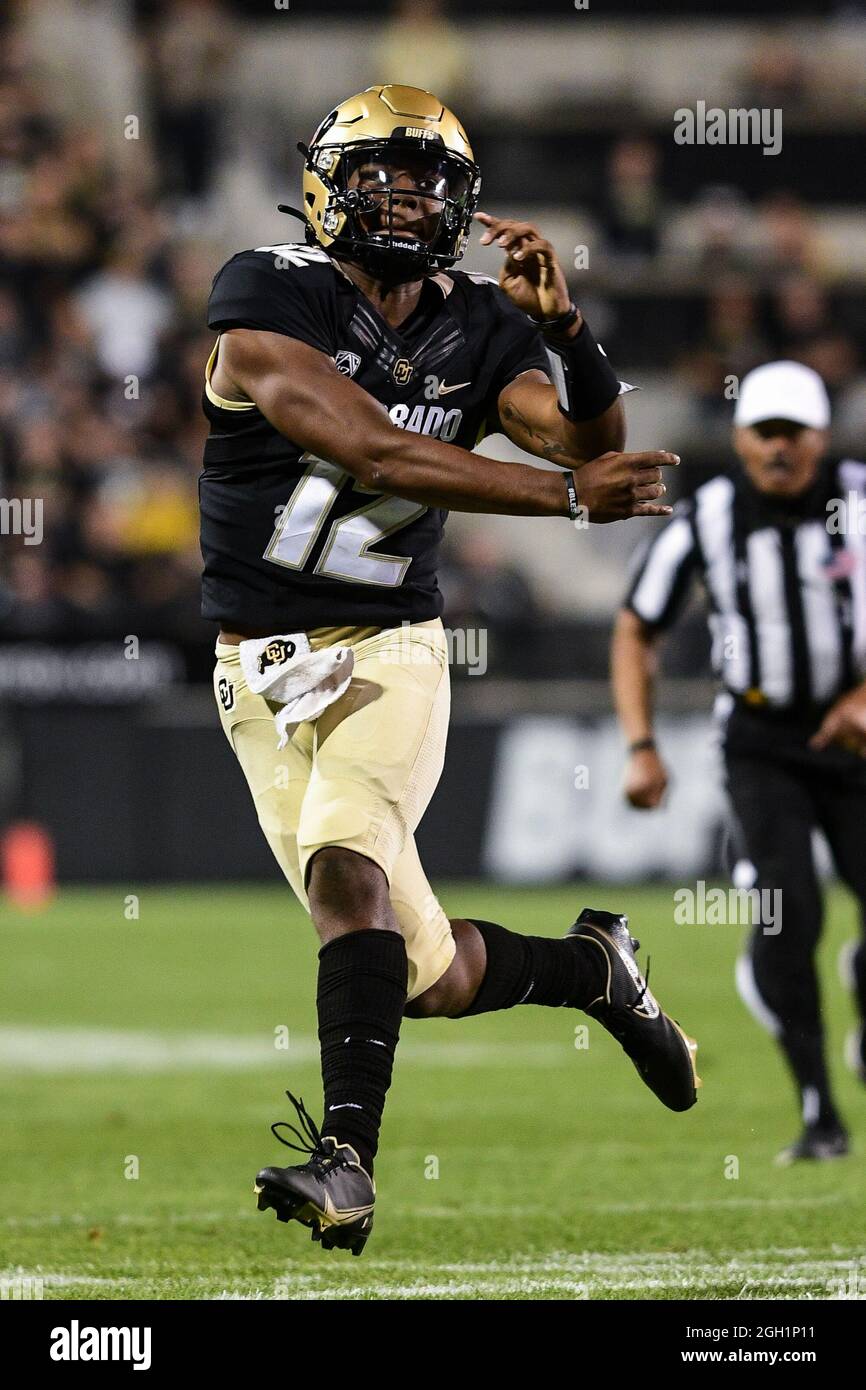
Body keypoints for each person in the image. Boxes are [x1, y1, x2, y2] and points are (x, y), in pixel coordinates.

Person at [200, 84, 698, 1256]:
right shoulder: (265, 290)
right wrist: (568, 499)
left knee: (342, 875)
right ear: (327, 183)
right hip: (254, 674)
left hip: (389, 649)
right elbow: (369, 444)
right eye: (380, 172)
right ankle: (594, 972)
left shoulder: (479, 320)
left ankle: (346, 1164)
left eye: (426, 178)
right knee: (419, 972)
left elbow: (585, 442)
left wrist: (569, 335)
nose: (405, 195)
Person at [612, 359, 866, 1165]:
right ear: (742, 438)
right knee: (791, 918)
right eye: (766, 432)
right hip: (762, 744)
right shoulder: (709, 517)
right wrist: (642, 746)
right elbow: (636, 628)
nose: (781, 448)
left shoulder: (859, 502)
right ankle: (820, 1110)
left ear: (822, 435)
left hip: (860, 736)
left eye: (795, 432)